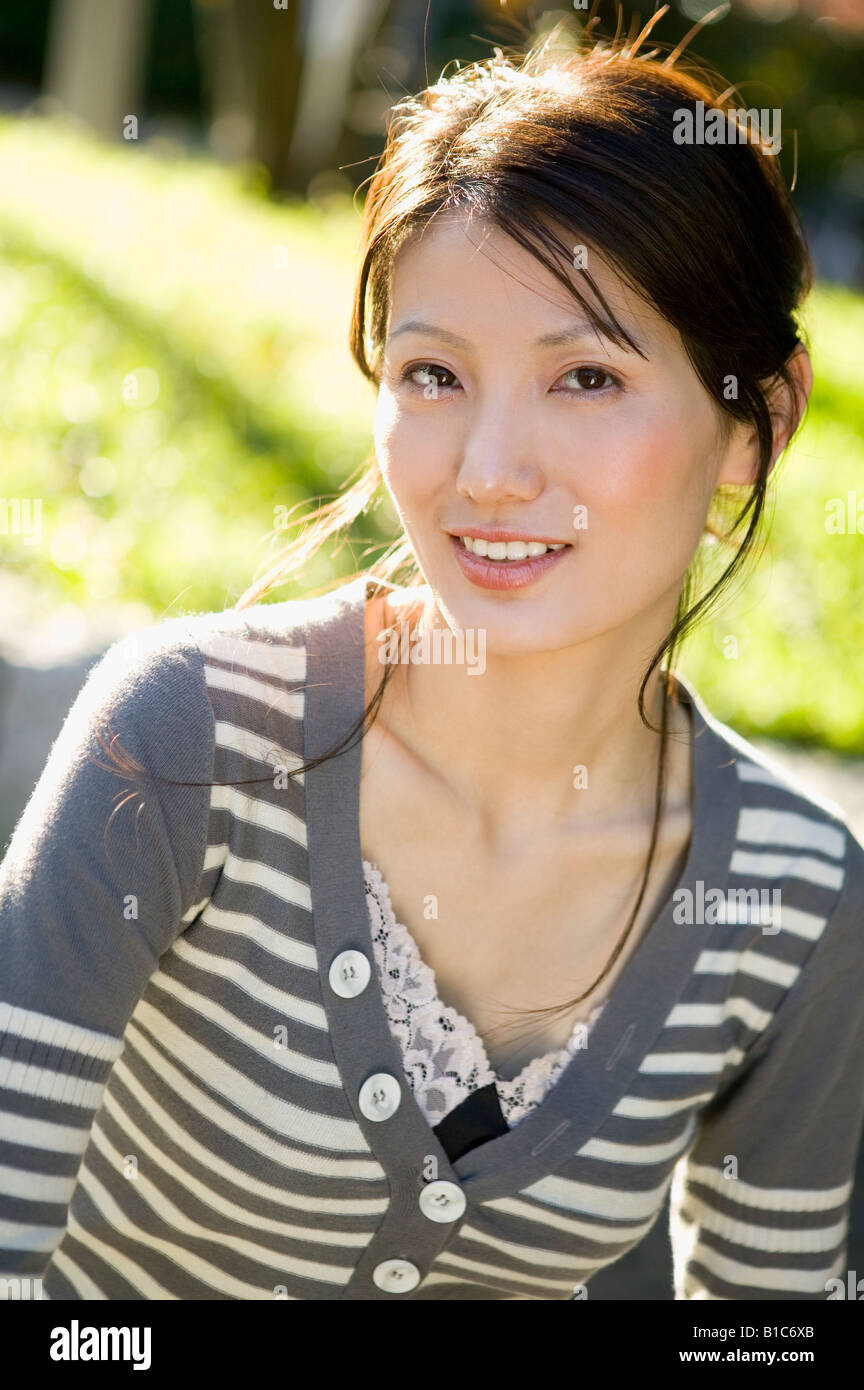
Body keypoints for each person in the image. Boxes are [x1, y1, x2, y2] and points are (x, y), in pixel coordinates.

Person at [2, 15, 863, 1303]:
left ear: (759, 420)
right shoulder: (188, 743)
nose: (488, 473)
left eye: (584, 378)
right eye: (433, 374)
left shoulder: (796, 906)